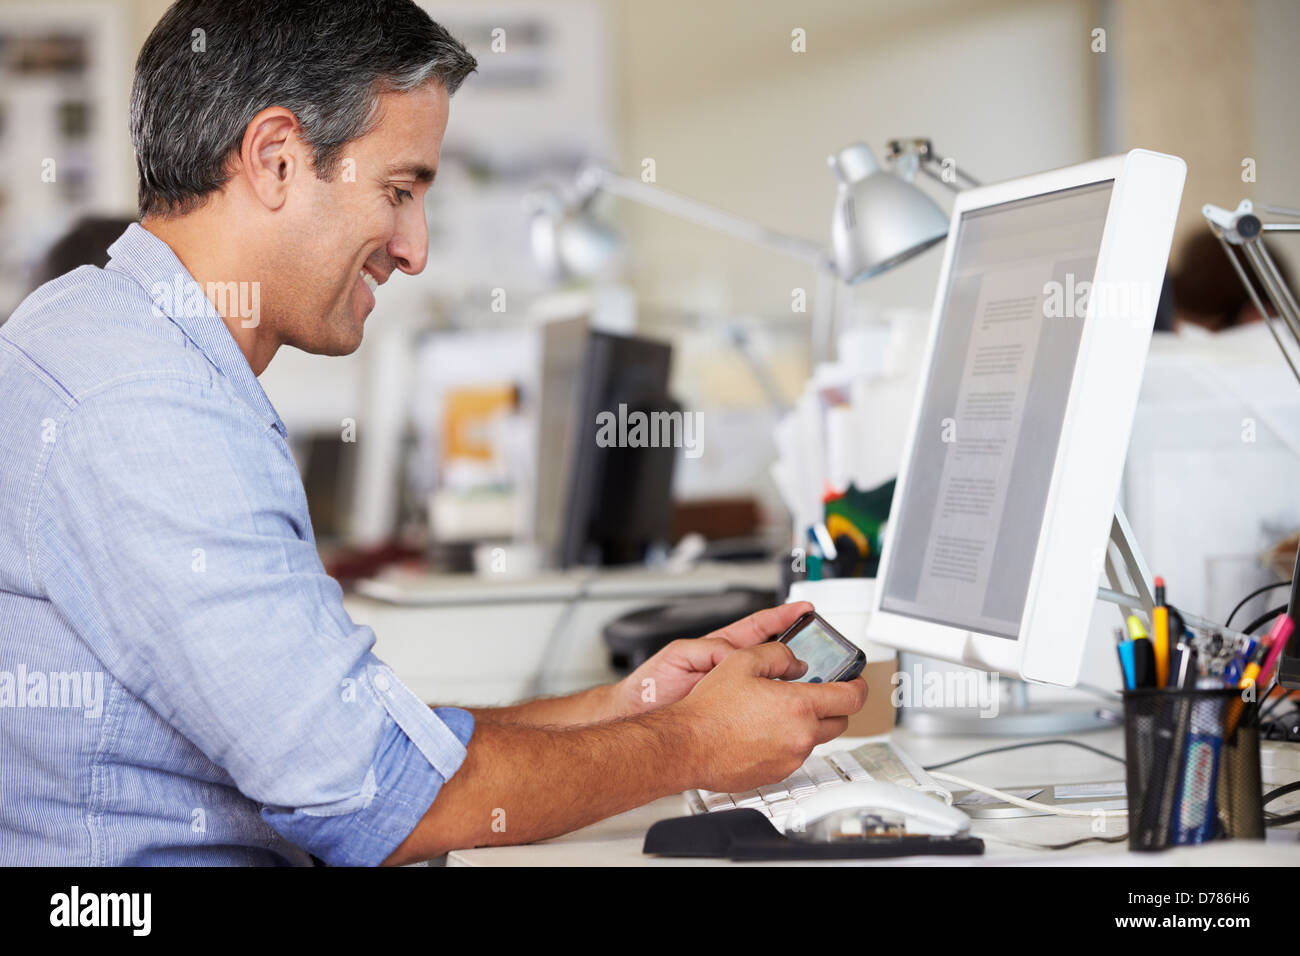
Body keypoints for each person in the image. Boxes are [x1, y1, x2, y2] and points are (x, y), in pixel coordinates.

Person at [0, 0, 865, 866]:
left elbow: (347, 739)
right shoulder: (148, 408)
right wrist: (690, 746)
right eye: (400, 190)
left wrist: (636, 707)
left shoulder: (104, 333)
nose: (413, 250)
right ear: (275, 159)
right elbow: (371, 798)